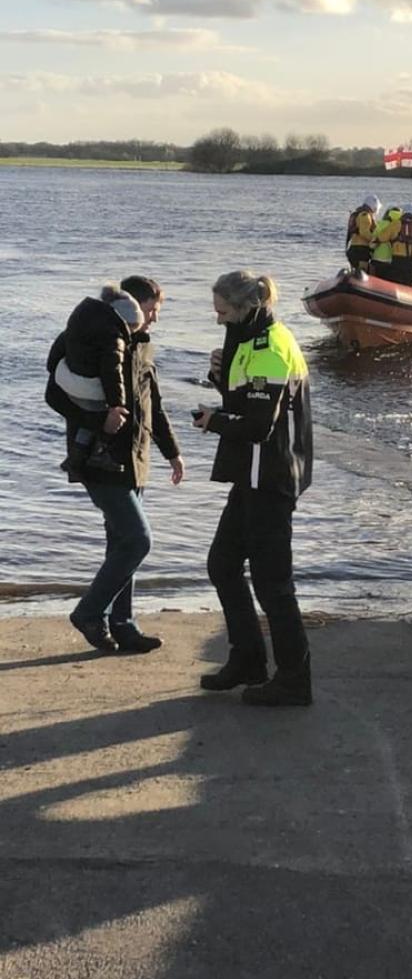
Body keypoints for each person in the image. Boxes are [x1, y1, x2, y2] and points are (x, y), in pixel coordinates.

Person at [46, 272, 184, 654]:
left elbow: (152, 403)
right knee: (138, 540)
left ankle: (122, 625)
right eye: (154, 310)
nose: (156, 318)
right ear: (136, 307)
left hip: (135, 459)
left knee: (120, 543)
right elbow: (54, 396)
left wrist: (171, 451)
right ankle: (90, 612)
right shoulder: (89, 340)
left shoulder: (143, 345)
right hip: (99, 459)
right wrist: (97, 422)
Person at [193, 269, 313, 708]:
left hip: (272, 478)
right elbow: (243, 400)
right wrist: (219, 377)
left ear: (246, 308)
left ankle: (295, 678)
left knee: (273, 583)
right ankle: (247, 658)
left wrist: (214, 422)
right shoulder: (248, 339)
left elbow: (260, 425)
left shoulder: (270, 346)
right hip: (251, 477)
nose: (219, 321)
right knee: (223, 565)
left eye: (223, 313)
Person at [54, 285, 144, 480]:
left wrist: (56, 372)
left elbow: (55, 354)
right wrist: (116, 405)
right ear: (124, 321)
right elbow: (112, 371)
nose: (129, 336)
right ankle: (99, 454)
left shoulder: (81, 319)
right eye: (131, 329)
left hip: (68, 381)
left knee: (89, 421)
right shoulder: (114, 336)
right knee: (108, 418)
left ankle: (75, 457)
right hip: (88, 388)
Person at [371, 203, 412, 287]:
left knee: (396, 282)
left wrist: (374, 242)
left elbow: (382, 236)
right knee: (409, 283)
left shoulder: (396, 224)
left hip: (398, 261)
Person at [345, 194, 381, 272]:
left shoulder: (359, 214)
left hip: (353, 248)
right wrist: (376, 240)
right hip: (361, 250)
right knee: (362, 272)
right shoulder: (365, 216)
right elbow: (364, 232)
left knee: (355, 272)